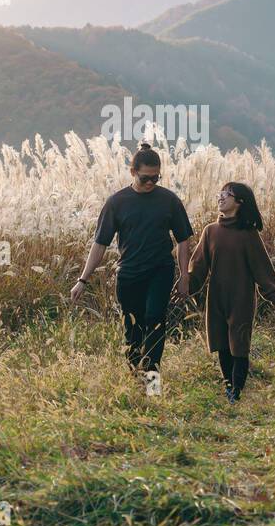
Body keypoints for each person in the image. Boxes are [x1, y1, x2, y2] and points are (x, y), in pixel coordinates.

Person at [70, 142, 193, 394]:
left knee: (155, 321)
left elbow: (183, 239)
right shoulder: (117, 202)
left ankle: (152, 385)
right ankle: (135, 377)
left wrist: (184, 275)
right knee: (132, 329)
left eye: (156, 178)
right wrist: (83, 279)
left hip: (160, 270)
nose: (151, 183)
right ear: (132, 172)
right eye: (146, 178)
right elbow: (100, 244)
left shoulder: (169, 200)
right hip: (128, 274)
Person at [188, 181, 275, 403]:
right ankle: (228, 387)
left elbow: (261, 267)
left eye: (227, 194)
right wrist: (186, 287)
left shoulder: (248, 234)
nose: (221, 197)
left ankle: (237, 391)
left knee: (239, 345)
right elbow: (198, 266)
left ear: (240, 202)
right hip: (216, 297)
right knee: (222, 343)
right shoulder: (210, 231)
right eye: (221, 193)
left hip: (241, 298)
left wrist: (273, 294)